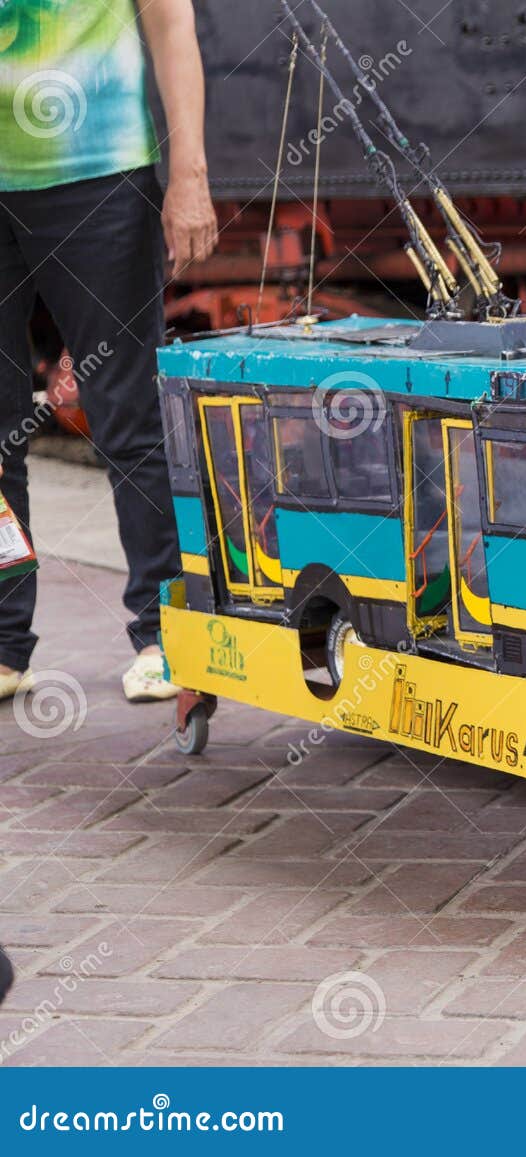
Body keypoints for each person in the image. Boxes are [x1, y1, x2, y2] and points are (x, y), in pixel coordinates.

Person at [0, 0, 216, 702]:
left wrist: (189, 174)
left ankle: (164, 633)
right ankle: (4, 645)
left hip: (99, 177)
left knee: (128, 414)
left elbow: (171, 24)